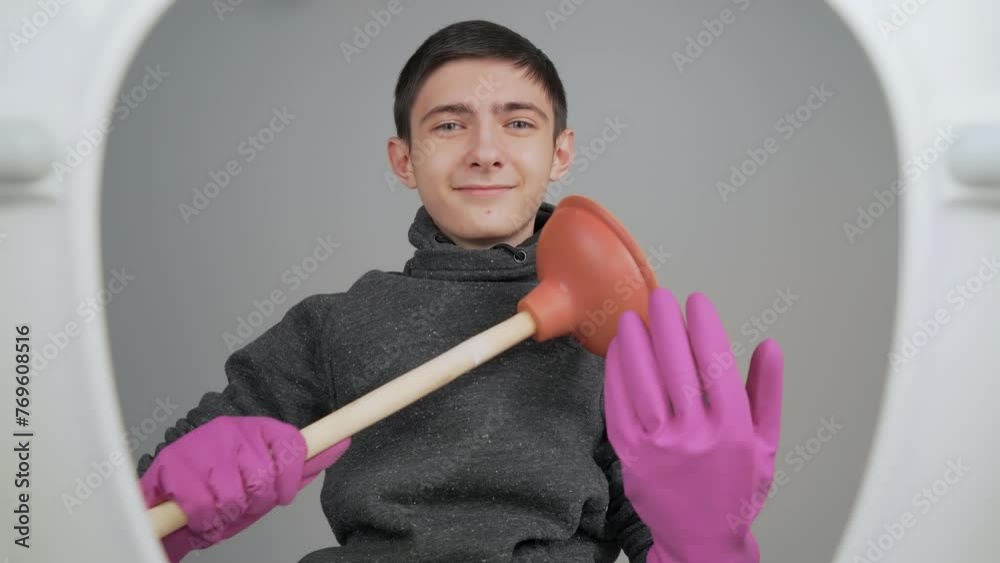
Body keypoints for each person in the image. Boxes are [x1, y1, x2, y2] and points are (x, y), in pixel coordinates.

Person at [136, 19, 784, 563]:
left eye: (518, 123)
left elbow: (650, 526)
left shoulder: (617, 339)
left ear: (560, 153)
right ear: (404, 159)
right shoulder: (332, 325)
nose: (485, 152)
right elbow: (130, 517)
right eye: (449, 126)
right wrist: (166, 506)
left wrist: (705, 543)